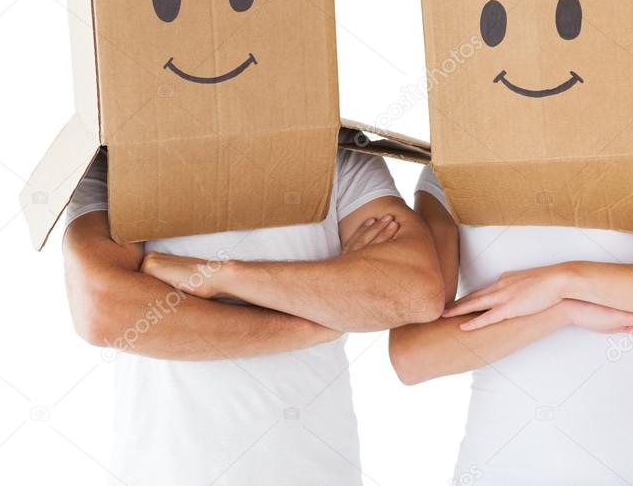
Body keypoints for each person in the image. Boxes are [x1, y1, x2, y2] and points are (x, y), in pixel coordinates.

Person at [63, 131, 443, 486]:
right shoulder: (115, 158)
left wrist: (220, 276)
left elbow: (414, 291)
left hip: (317, 471)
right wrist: (316, 321)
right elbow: (105, 310)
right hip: (169, 472)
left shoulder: (339, 152)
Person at [389, 154, 633, 485]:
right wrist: (562, 310)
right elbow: (413, 357)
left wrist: (564, 279)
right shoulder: (452, 167)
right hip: (505, 471)